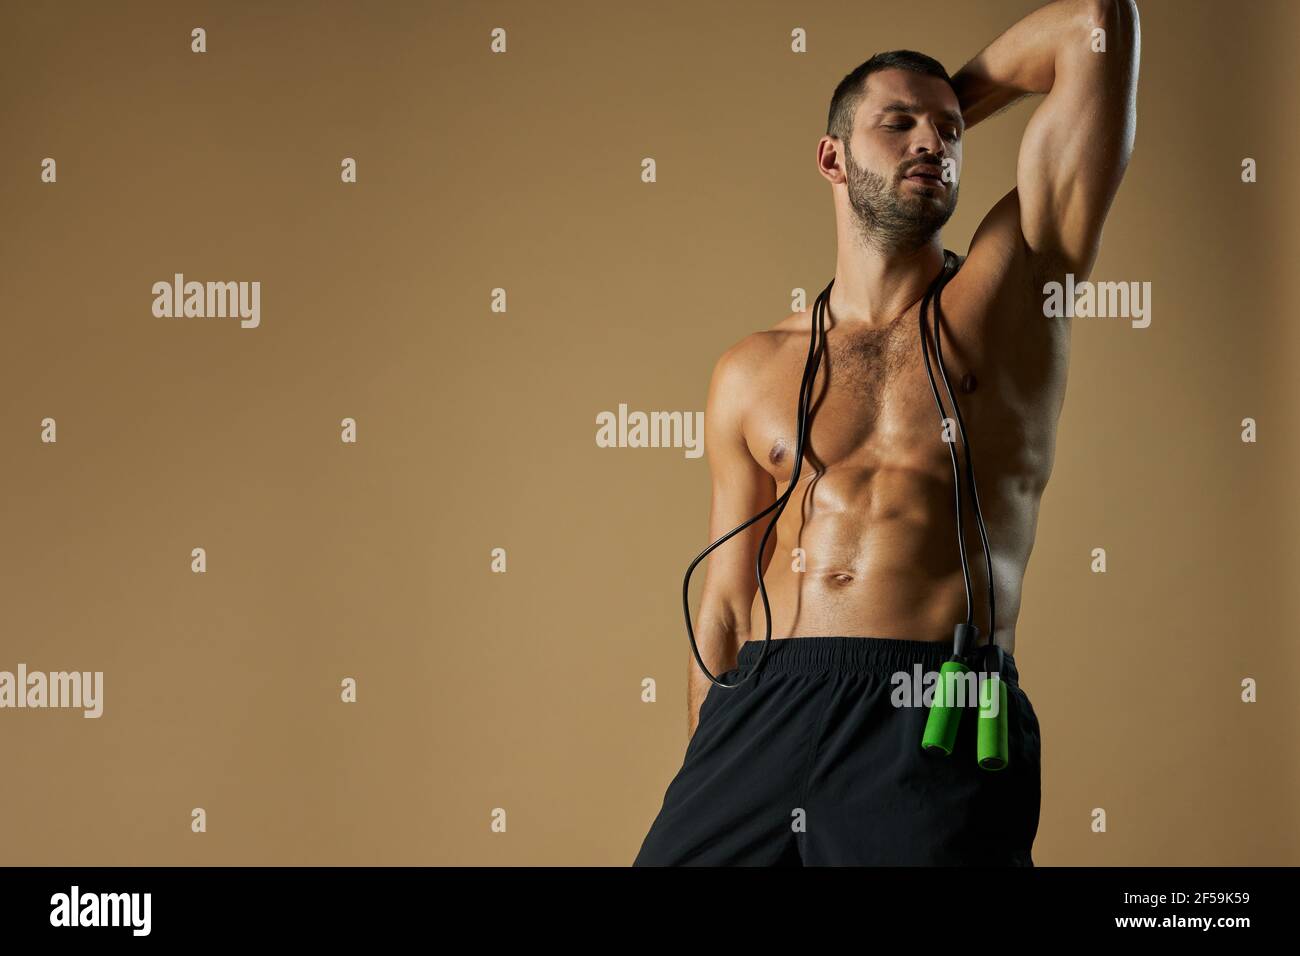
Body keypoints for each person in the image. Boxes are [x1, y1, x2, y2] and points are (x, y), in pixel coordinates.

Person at [634, 0, 1140, 866]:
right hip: (761, 710)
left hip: (929, 707)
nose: (930, 141)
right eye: (897, 123)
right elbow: (723, 599)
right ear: (830, 156)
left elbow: (1093, 24)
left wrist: (942, 113)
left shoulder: (1009, 290)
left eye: (946, 130)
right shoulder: (753, 368)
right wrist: (710, 765)